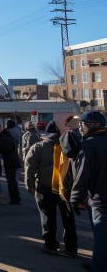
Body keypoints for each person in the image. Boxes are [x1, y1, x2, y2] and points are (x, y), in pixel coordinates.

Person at [26, 121, 78, 257]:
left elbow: (30, 167)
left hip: (45, 187)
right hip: (65, 188)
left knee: (48, 217)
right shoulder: (67, 146)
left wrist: (29, 185)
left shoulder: (38, 147)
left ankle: (51, 245)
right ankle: (71, 247)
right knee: (68, 218)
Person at [71, 111, 106, 271]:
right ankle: (97, 262)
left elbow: (82, 175)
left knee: (101, 236)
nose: (80, 127)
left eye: (82, 124)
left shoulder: (89, 145)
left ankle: (98, 267)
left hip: (100, 200)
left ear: (94, 125)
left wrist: (75, 198)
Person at [0, 123, 22, 205]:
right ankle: (17, 197)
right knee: (13, 180)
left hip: (9, 161)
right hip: (14, 159)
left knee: (10, 181)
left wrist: (0, 151)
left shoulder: (1, 138)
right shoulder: (10, 136)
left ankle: (14, 199)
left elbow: (2, 149)